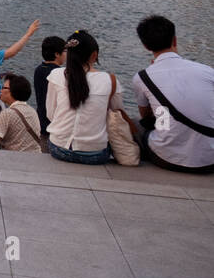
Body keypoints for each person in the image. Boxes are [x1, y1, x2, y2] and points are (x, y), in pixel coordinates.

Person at [132, 15, 214, 173]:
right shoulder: (207, 71)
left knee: (136, 123)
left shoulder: (142, 77)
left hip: (166, 158)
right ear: (175, 40)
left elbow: (147, 116)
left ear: (145, 46)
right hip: (210, 160)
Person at [45, 30, 125, 165]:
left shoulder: (56, 75)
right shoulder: (109, 80)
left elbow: (51, 114)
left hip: (59, 148)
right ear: (94, 55)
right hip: (94, 154)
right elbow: (117, 113)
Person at [0, 73, 43, 151]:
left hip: (15, 159)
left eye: (3, 88)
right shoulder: (32, 111)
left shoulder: (8, 113)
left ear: (12, 91)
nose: (0, 90)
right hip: (35, 157)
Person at [33, 35, 67, 137]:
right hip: (55, 123)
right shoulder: (59, 73)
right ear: (57, 54)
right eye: (65, 51)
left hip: (41, 120)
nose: (67, 54)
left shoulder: (39, 69)